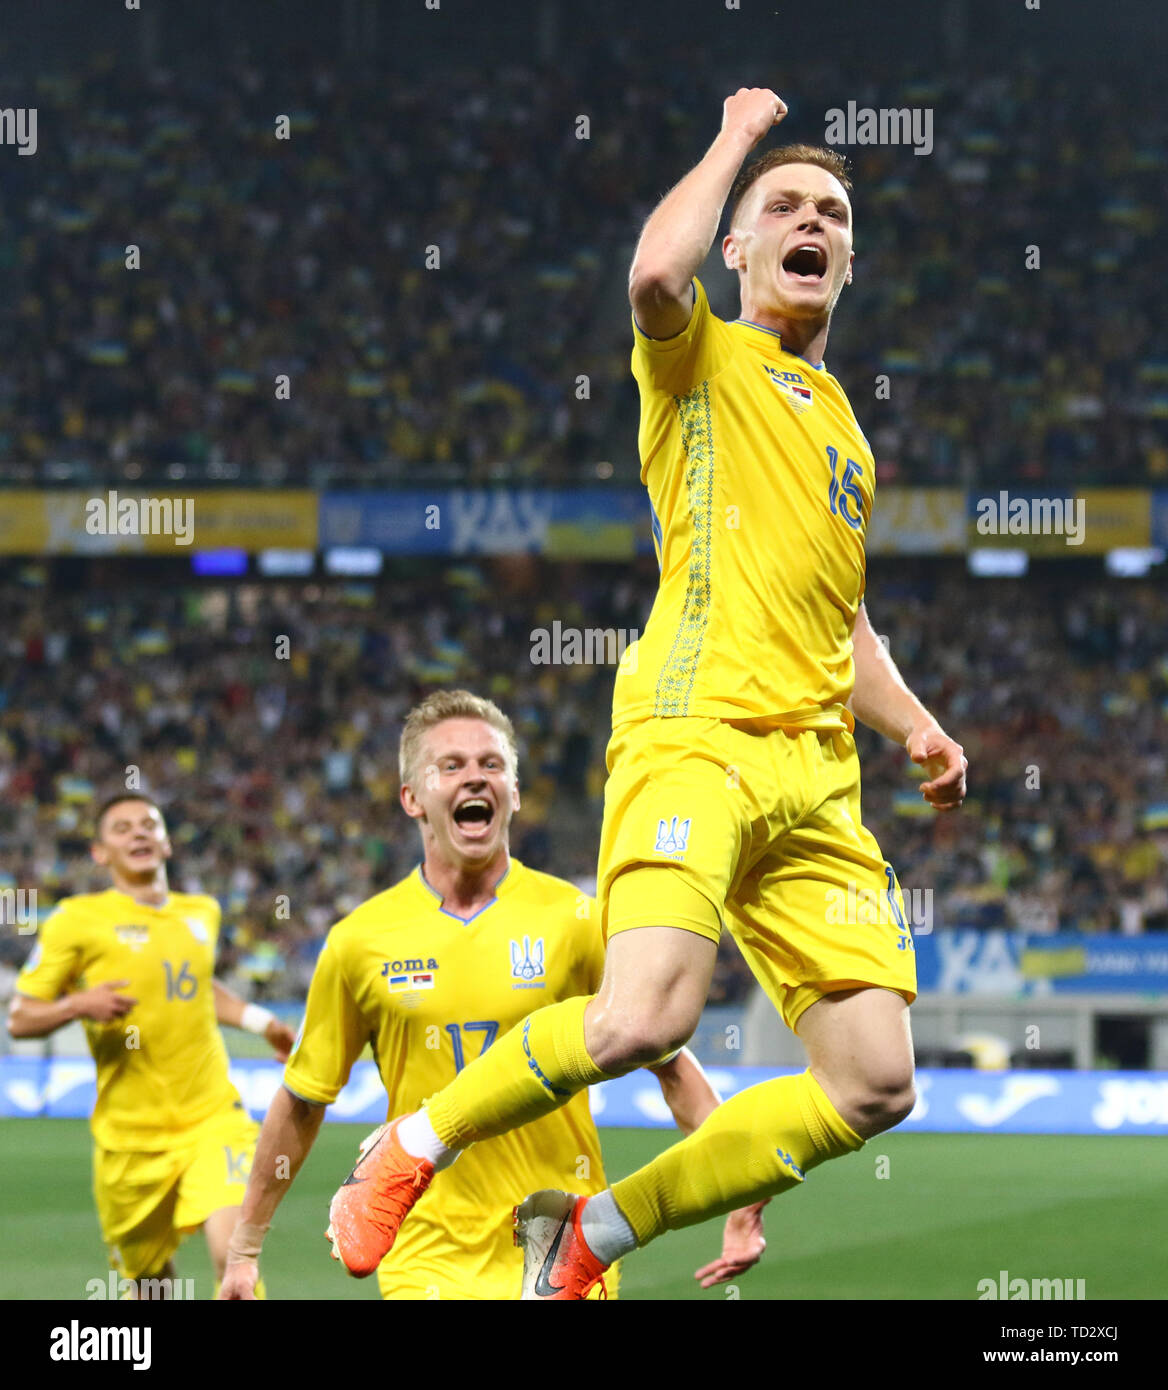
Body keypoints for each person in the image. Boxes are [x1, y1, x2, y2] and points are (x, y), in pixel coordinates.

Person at [325, 89, 969, 1300]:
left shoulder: (847, 432)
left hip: (816, 773)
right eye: (782, 207)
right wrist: (734, 142)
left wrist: (918, 725)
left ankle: (591, 1233)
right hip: (697, 731)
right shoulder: (700, 356)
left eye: (831, 211)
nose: (809, 220)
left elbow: (846, 626)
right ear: (740, 246)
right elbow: (650, 281)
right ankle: (407, 1148)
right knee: (640, 1021)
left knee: (877, 1080)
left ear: (849, 260)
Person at [219, 690, 765, 1301]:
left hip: (560, 1250)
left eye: (492, 764)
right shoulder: (358, 943)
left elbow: (670, 1064)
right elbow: (302, 1101)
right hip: (427, 1260)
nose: (474, 776)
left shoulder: (578, 919)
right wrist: (244, 1248)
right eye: (449, 766)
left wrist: (736, 1189)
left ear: (515, 793)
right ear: (412, 798)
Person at [7, 793, 295, 1298]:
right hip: (130, 1140)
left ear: (165, 842)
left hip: (211, 1117)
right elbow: (22, 1017)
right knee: (149, 1285)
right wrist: (79, 1005)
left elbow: (196, 984)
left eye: (148, 825)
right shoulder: (76, 921)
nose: (138, 834)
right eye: (122, 828)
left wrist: (260, 1019)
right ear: (100, 853)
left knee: (235, 1264)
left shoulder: (201, 913)